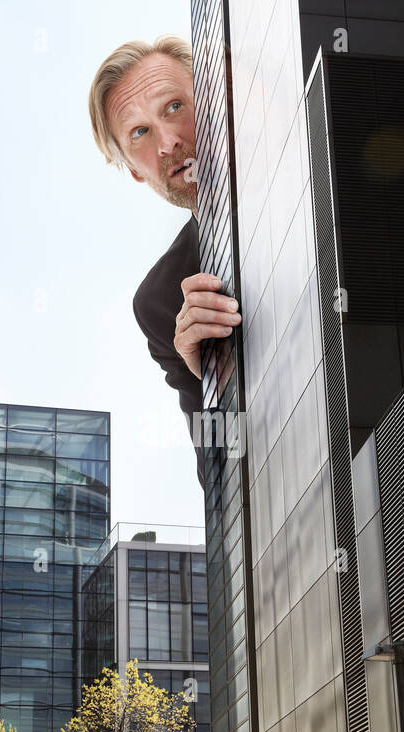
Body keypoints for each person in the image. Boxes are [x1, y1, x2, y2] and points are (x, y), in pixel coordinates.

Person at [88, 35, 241, 487]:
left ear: (212, 95)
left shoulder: (303, 139)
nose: (168, 141)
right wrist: (208, 378)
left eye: (174, 106)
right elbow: (220, 487)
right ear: (135, 170)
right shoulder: (160, 302)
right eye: (139, 132)